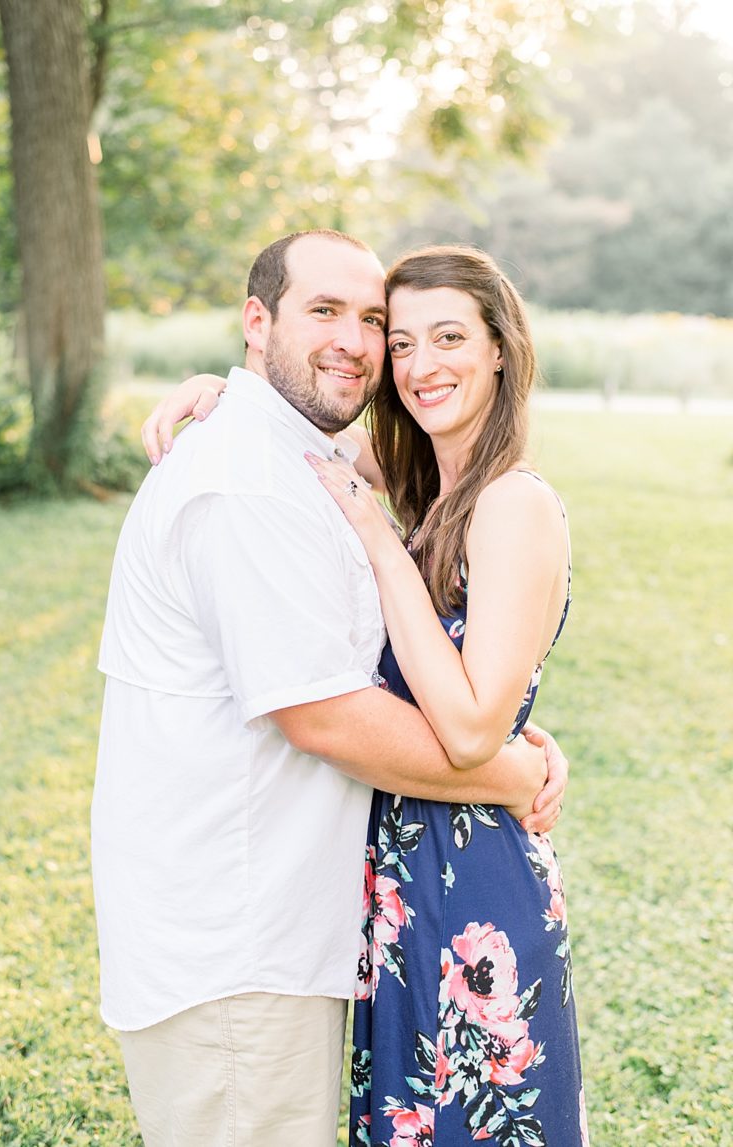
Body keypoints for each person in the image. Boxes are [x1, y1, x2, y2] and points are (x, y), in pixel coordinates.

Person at [94, 230, 569, 1147]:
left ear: (502, 350)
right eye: (395, 338)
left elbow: (470, 694)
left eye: (376, 324)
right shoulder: (272, 476)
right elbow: (324, 712)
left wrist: (516, 741)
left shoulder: (435, 489)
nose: (379, 349)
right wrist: (509, 772)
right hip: (246, 934)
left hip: (416, 892)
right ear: (257, 321)